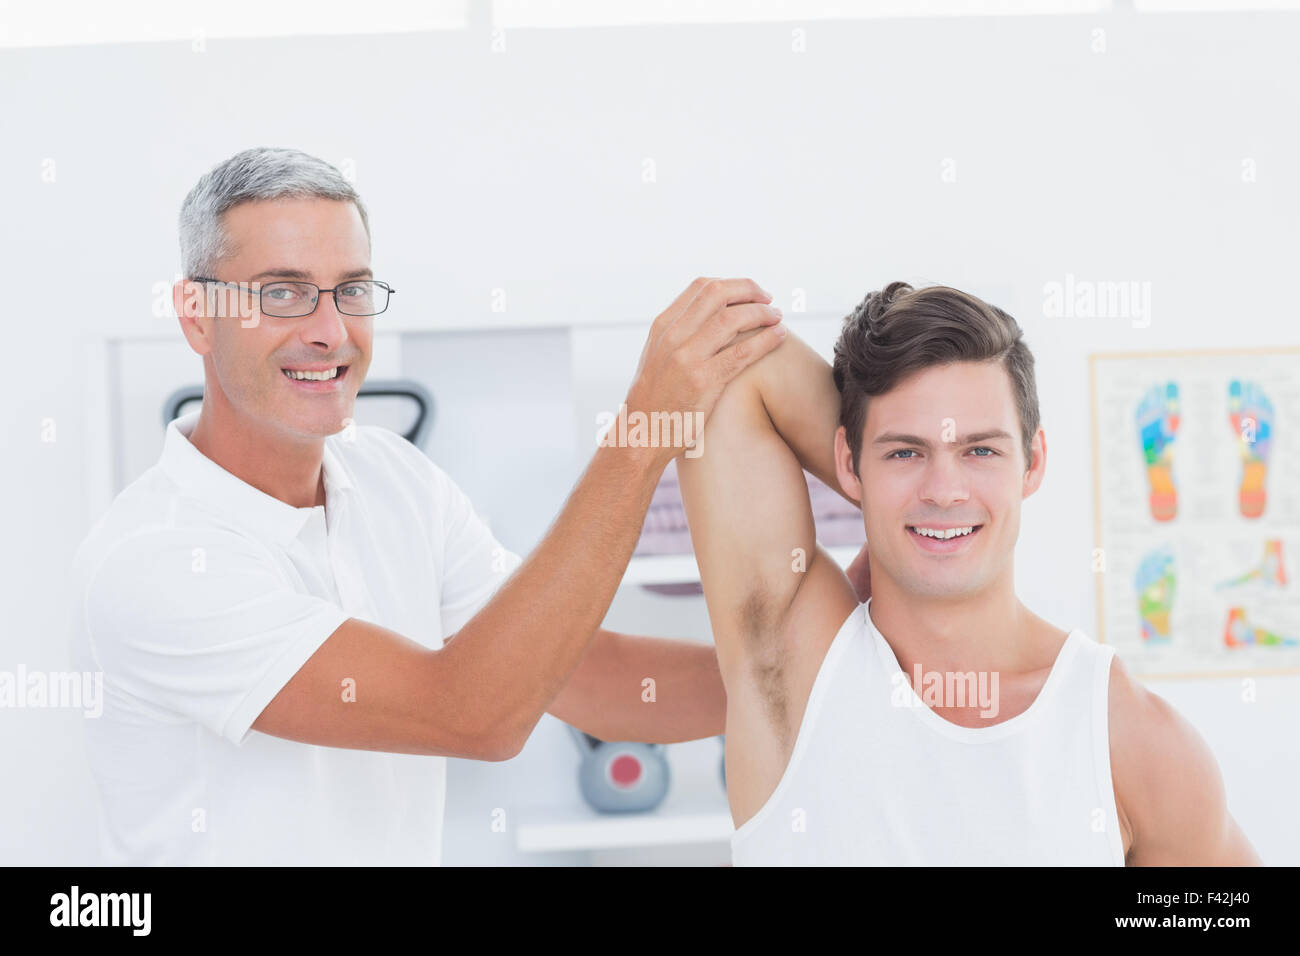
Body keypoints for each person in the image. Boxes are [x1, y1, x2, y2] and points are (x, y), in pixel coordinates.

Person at [68, 146, 790, 864]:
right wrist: (642, 430)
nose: (330, 331)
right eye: (282, 293)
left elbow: (591, 679)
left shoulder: (394, 479)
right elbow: (474, 713)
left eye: (350, 290)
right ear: (197, 317)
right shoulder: (156, 559)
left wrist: (819, 672)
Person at [677, 281, 1261, 865]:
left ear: (1032, 463)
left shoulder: (1130, 742)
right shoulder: (792, 667)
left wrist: (890, 483)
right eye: (905, 452)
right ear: (847, 465)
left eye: (980, 451)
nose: (944, 491)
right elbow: (739, 357)